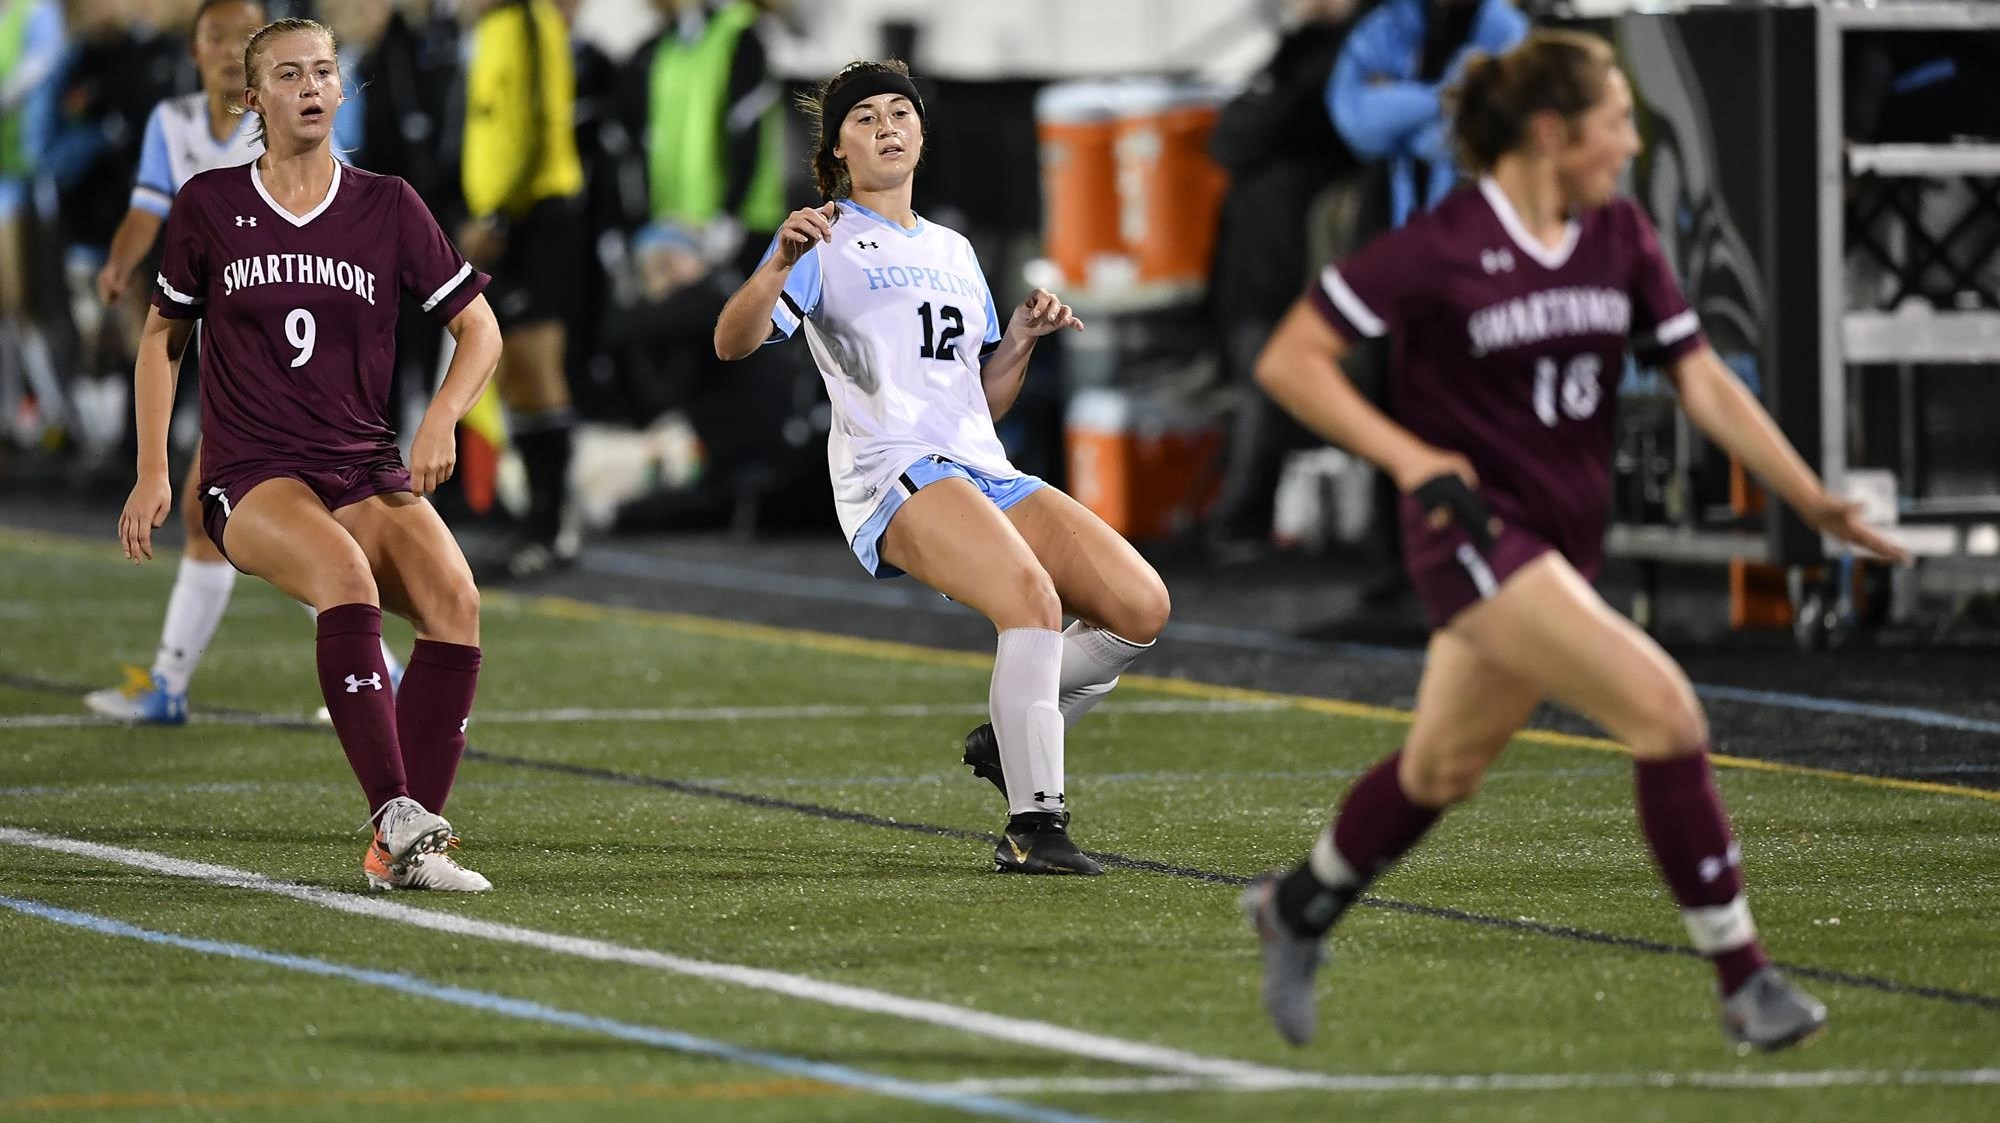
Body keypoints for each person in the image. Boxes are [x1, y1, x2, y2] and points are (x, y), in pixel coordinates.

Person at [1241, 31, 1910, 1049]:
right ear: (1551, 133)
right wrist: (1411, 458)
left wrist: (1808, 500)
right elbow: (1292, 361)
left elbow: (1702, 381)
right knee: (1664, 712)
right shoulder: (1441, 240)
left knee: (1440, 771)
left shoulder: (1619, 234)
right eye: (1616, 122)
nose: (1632, 143)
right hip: (1473, 537)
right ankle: (1745, 981)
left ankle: (1292, 908)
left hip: (1557, 542)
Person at [714, 60, 1172, 875]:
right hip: (892, 472)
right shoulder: (824, 235)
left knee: (1140, 604)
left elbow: (977, 402)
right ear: (837, 153)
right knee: (1029, 598)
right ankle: (1034, 824)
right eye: (865, 118)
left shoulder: (955, 249)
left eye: (900, 112)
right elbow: (732, 341)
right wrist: (776, 264)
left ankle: (1013, 729)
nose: (887, 125)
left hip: (976, 463)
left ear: (922, 133)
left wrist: (1020, 342)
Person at [117, 16, 504, 892]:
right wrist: (151, 470)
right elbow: (159, 341)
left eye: (325, 72)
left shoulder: (388, 203)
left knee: (456, 600)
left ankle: (406, 850)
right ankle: (397, 811)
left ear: (342, 87)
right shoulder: (210, 204)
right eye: (289, 75)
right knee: (345, 577)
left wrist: (443, 414)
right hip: (251, 471)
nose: (312, 88)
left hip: (361, 461)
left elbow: (478, 329)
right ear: (253, 99)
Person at [456, 0, 586, 581]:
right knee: (514, 375)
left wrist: (501, 218)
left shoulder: (531, 21)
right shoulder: (496, 28)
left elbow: (535, 124)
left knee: (537, 367)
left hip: (537, 217)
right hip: (508, 218)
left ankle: (554, 527)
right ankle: (537, 521)